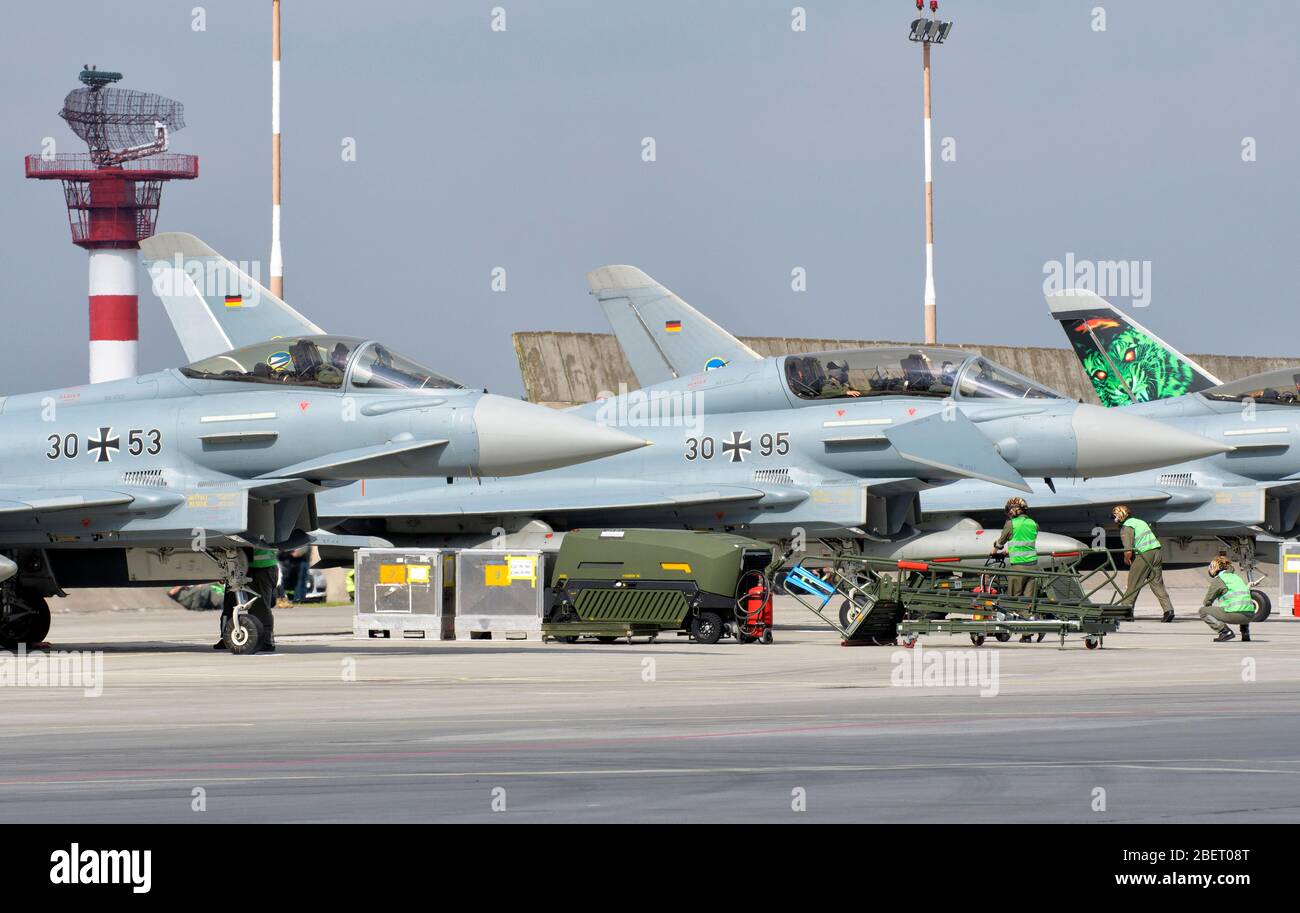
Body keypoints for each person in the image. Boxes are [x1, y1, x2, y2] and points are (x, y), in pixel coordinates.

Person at [1114, 504, 1176, 623]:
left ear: (1120, 515)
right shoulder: (1139, 522)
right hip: (1157, 553)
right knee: (1157, 584)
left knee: (1133, 583)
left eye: (1115, 516)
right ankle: (1168, 610)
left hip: (1144, 555)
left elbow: (1128, 550)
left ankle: (1125, 612)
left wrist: (1127, 559)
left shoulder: (1127, 527)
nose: (1114, 519)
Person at [213, 547, 279, 652]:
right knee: (229, 606)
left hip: (261, 568)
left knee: (259, 607)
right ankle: (227, 637)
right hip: (236, 567)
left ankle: (266, 640)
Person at [993, 497, 1039, 640]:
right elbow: (1024, 543)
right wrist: (1010, 551)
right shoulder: (1033, 524)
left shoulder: (1010, 524)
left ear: (1015, 510)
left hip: (1018, 568)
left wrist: (994, 552)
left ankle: (1007, 629)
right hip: (1033, 567)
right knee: (1028, 600)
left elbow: (1000, 543)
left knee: (1014, 599)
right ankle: (1028, 631)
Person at [1198, 556, 1255, 643]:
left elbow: (1207, 601)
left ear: (1215, 568)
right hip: (1250, 615)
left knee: (1203, 611)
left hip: (1235, 616)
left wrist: (1210, 608)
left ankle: (1225, 632)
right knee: (1242, 605)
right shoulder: (1236, 577)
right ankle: (1245, 633)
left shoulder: (1220, 580)